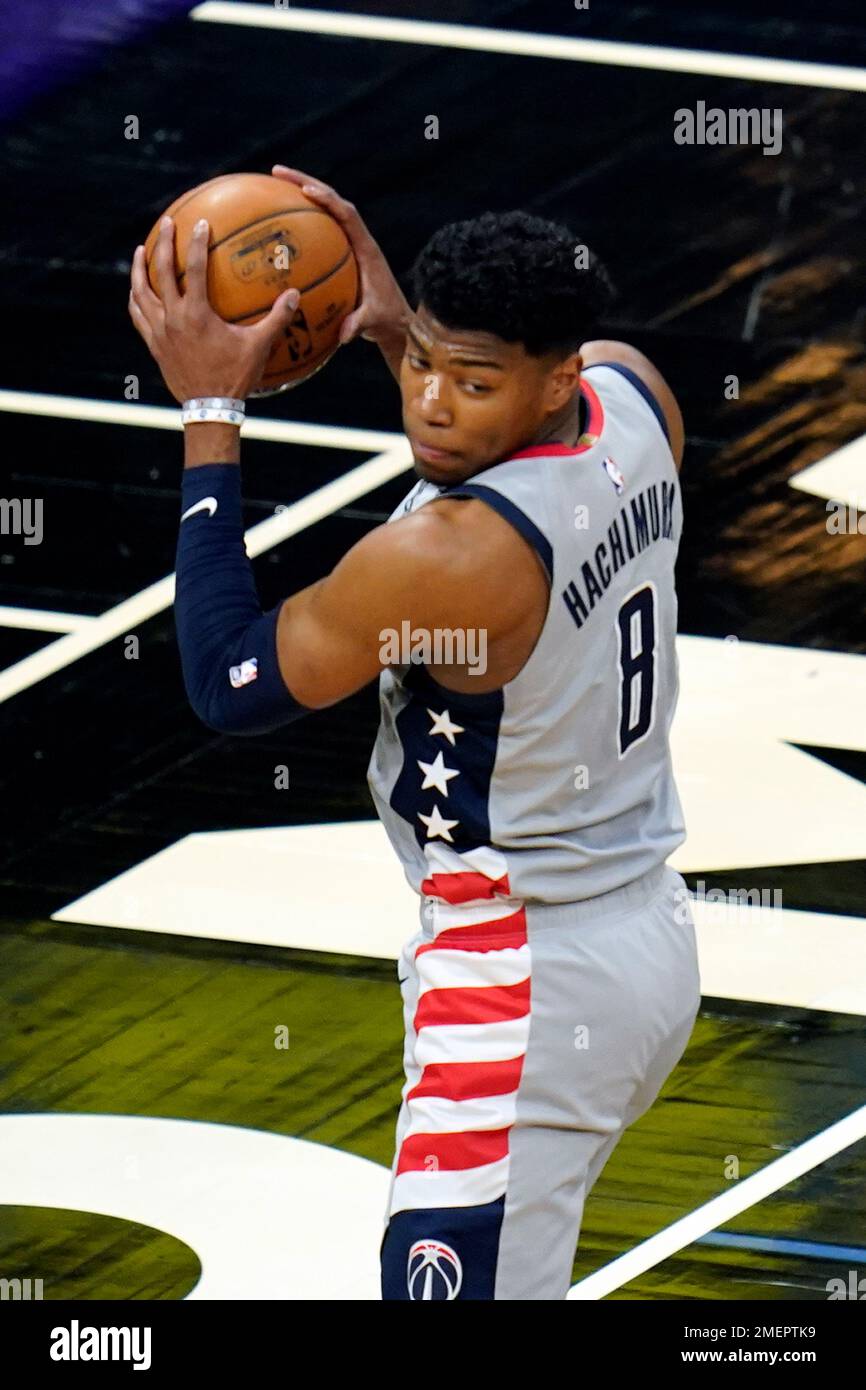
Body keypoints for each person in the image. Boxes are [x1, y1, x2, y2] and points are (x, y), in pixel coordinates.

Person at [128, 165, 701, 1301]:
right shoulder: (631, 401)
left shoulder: (443, 561)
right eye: (425, 363)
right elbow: (540, 477)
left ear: (552, 381)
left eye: (472, 380)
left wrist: (208, 414)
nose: (430, 401)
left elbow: (227, 683)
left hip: (514, 983)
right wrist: (391, 325)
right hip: (641, 935)